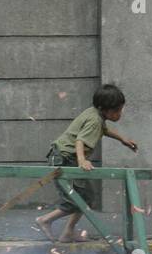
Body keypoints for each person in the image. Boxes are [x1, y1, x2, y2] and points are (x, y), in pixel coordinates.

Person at [34, 84, 137, 242]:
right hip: (65, 159)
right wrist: (82, 160)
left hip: (65, 157)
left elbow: (105, 130)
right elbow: (80, 140)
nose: (119, 114)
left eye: (120, 110)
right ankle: (45, 220)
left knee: (86, 197)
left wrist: (122, 140)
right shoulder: (95, 121)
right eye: (116, 111)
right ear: (104, 109)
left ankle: (68, 231)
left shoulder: (95, 114)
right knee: (75, 199)